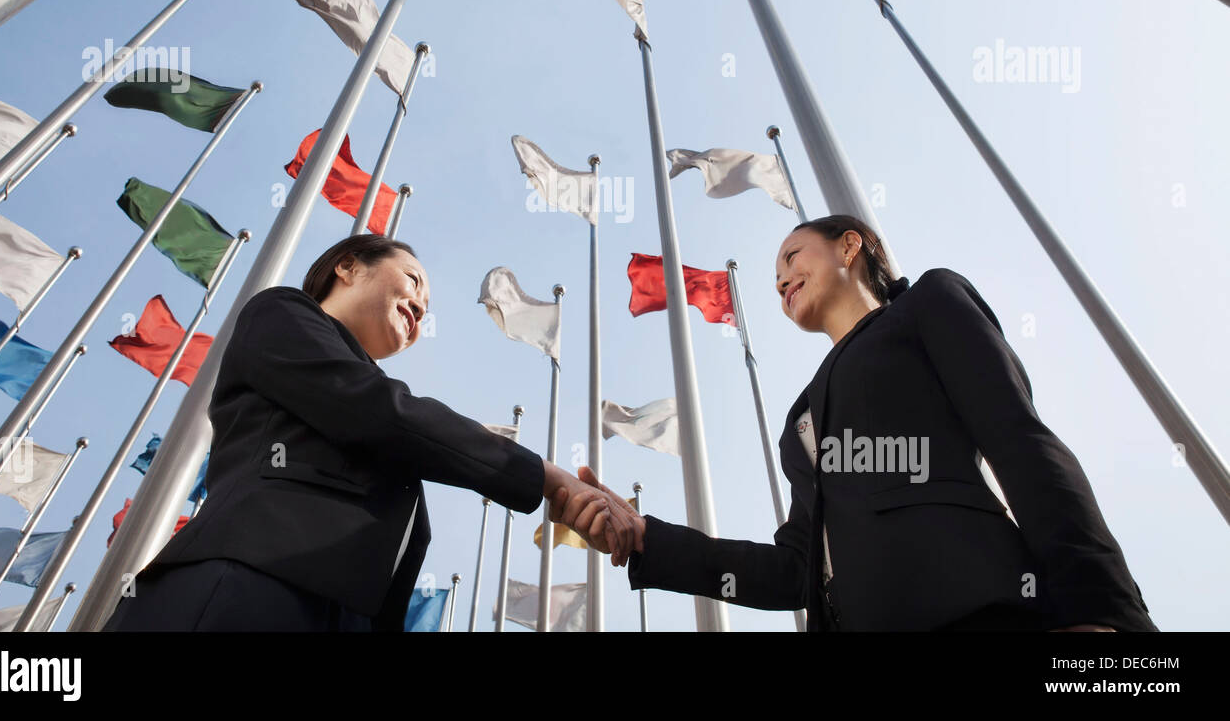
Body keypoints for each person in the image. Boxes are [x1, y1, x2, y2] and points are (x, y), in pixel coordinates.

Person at [560, 215, 1157, 631]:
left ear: (850, 246)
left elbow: (1021, 442)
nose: (779, 279)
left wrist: (1099, 607)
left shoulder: (928, 303)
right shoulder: (800, 417)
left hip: (982, 612)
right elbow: (794, 570)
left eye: (792, 257)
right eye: (774, 277)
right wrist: (646, 538)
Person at [102, 234, 636, 632]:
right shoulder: (280, 314)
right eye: (413, 280)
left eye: (426, 308)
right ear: (348, 266)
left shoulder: (385, 415)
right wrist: (548, 478)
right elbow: (381, 413)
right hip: (243, 587)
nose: (421, 306)